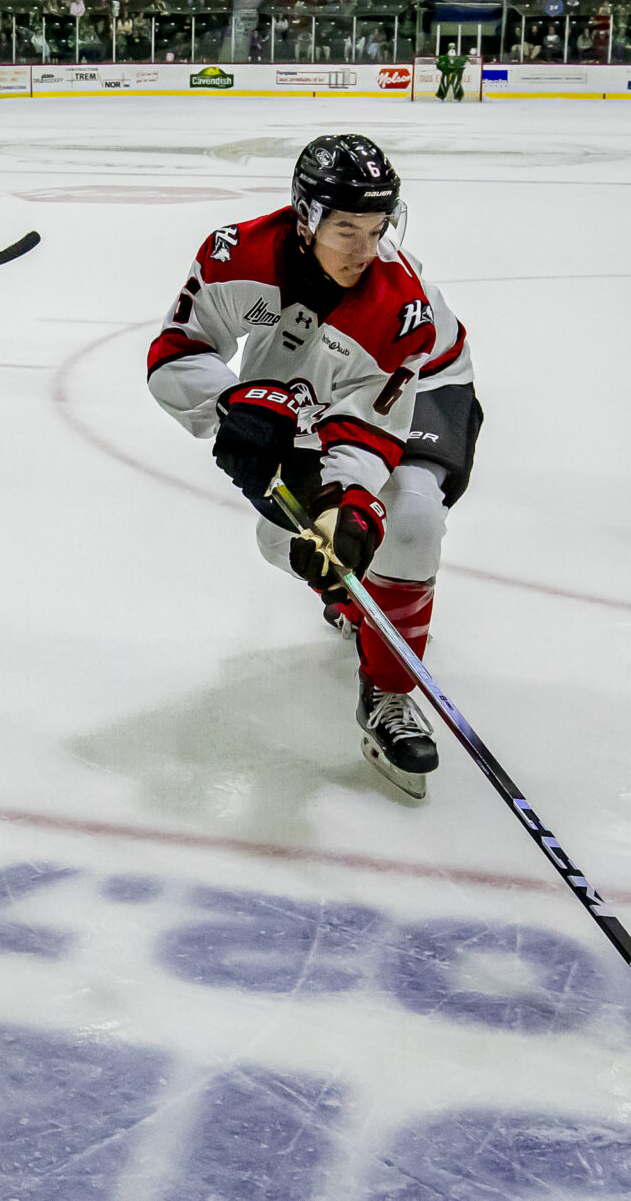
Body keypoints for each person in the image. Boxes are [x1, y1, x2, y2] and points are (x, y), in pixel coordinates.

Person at [145, 135, 466, 796]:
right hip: (317, 380)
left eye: (377, 229)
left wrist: (347, 505)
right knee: (294, 533)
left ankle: (388, 692)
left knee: (406, 521)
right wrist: (233, 401)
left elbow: (375, 427)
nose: (363, 249)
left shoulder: (399, 305)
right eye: (346, 228)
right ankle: (348, 594)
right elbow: (176, 352)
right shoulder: (238, 256)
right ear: (305, 216)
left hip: (428, 381)